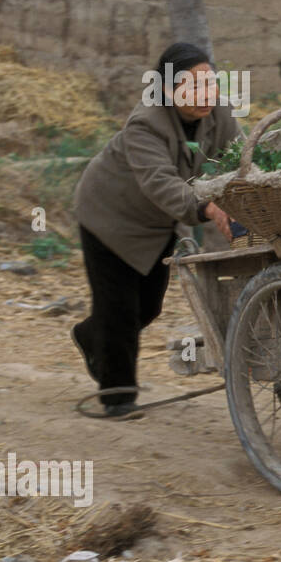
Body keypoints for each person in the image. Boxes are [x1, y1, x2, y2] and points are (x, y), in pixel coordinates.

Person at [70, 42, 240, 417]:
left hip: (157, 220)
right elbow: (161, 182)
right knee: (119, 310)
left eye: (209, 84)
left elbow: (240, 159)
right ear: (166, 90)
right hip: (109, 216)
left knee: (148, 307)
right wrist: (207, 208)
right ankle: (117, 398)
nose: (205, 94)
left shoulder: (220, 114)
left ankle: (88, 334)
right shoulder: (145, 123)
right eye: (192, 87)